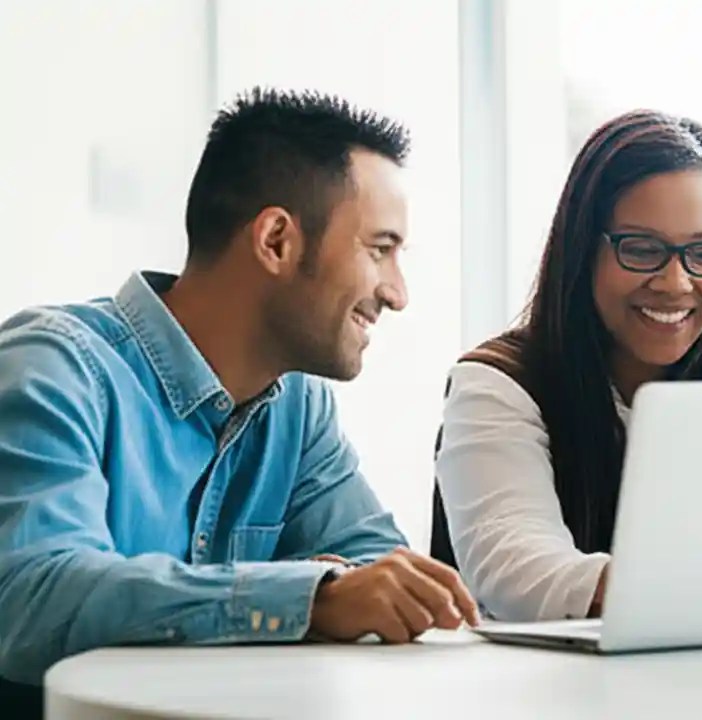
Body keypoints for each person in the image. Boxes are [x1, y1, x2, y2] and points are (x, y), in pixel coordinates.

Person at [0, 88, 479, 694]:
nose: (397, 292)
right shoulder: (53, 367)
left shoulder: (298, 407)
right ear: (276, 240)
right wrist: (309, 597)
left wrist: (335, 593)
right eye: (380, 250)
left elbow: (381, 576)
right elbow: (32, 597)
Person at [431, 109, 702, 621]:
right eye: (642, 250)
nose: (675, 283)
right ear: (583, 248)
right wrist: (700, 586)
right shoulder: (498, 384)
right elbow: (515, 568)